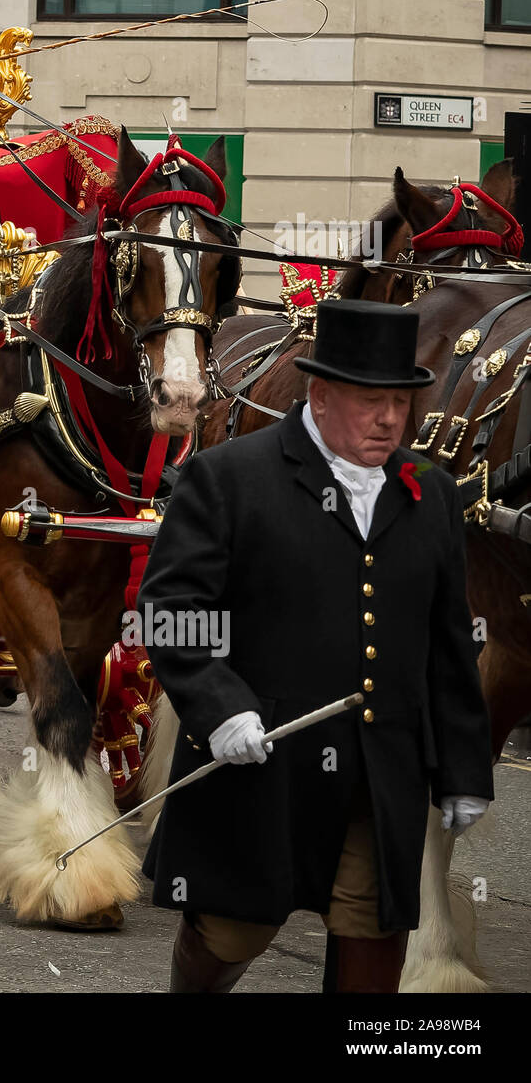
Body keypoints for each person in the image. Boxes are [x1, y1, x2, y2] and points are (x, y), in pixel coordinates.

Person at [137, 299, 494, 993]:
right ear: (320, 395)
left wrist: (462, 767)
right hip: (263, 765)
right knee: (230, 932)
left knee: (373, 933)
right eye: (371, 402)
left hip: (382, 769)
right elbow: (173, 611)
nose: (391, 420)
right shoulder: (231, 478)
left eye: (402, 402)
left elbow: (450, 646)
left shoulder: (434, 495)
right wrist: (221, 708)